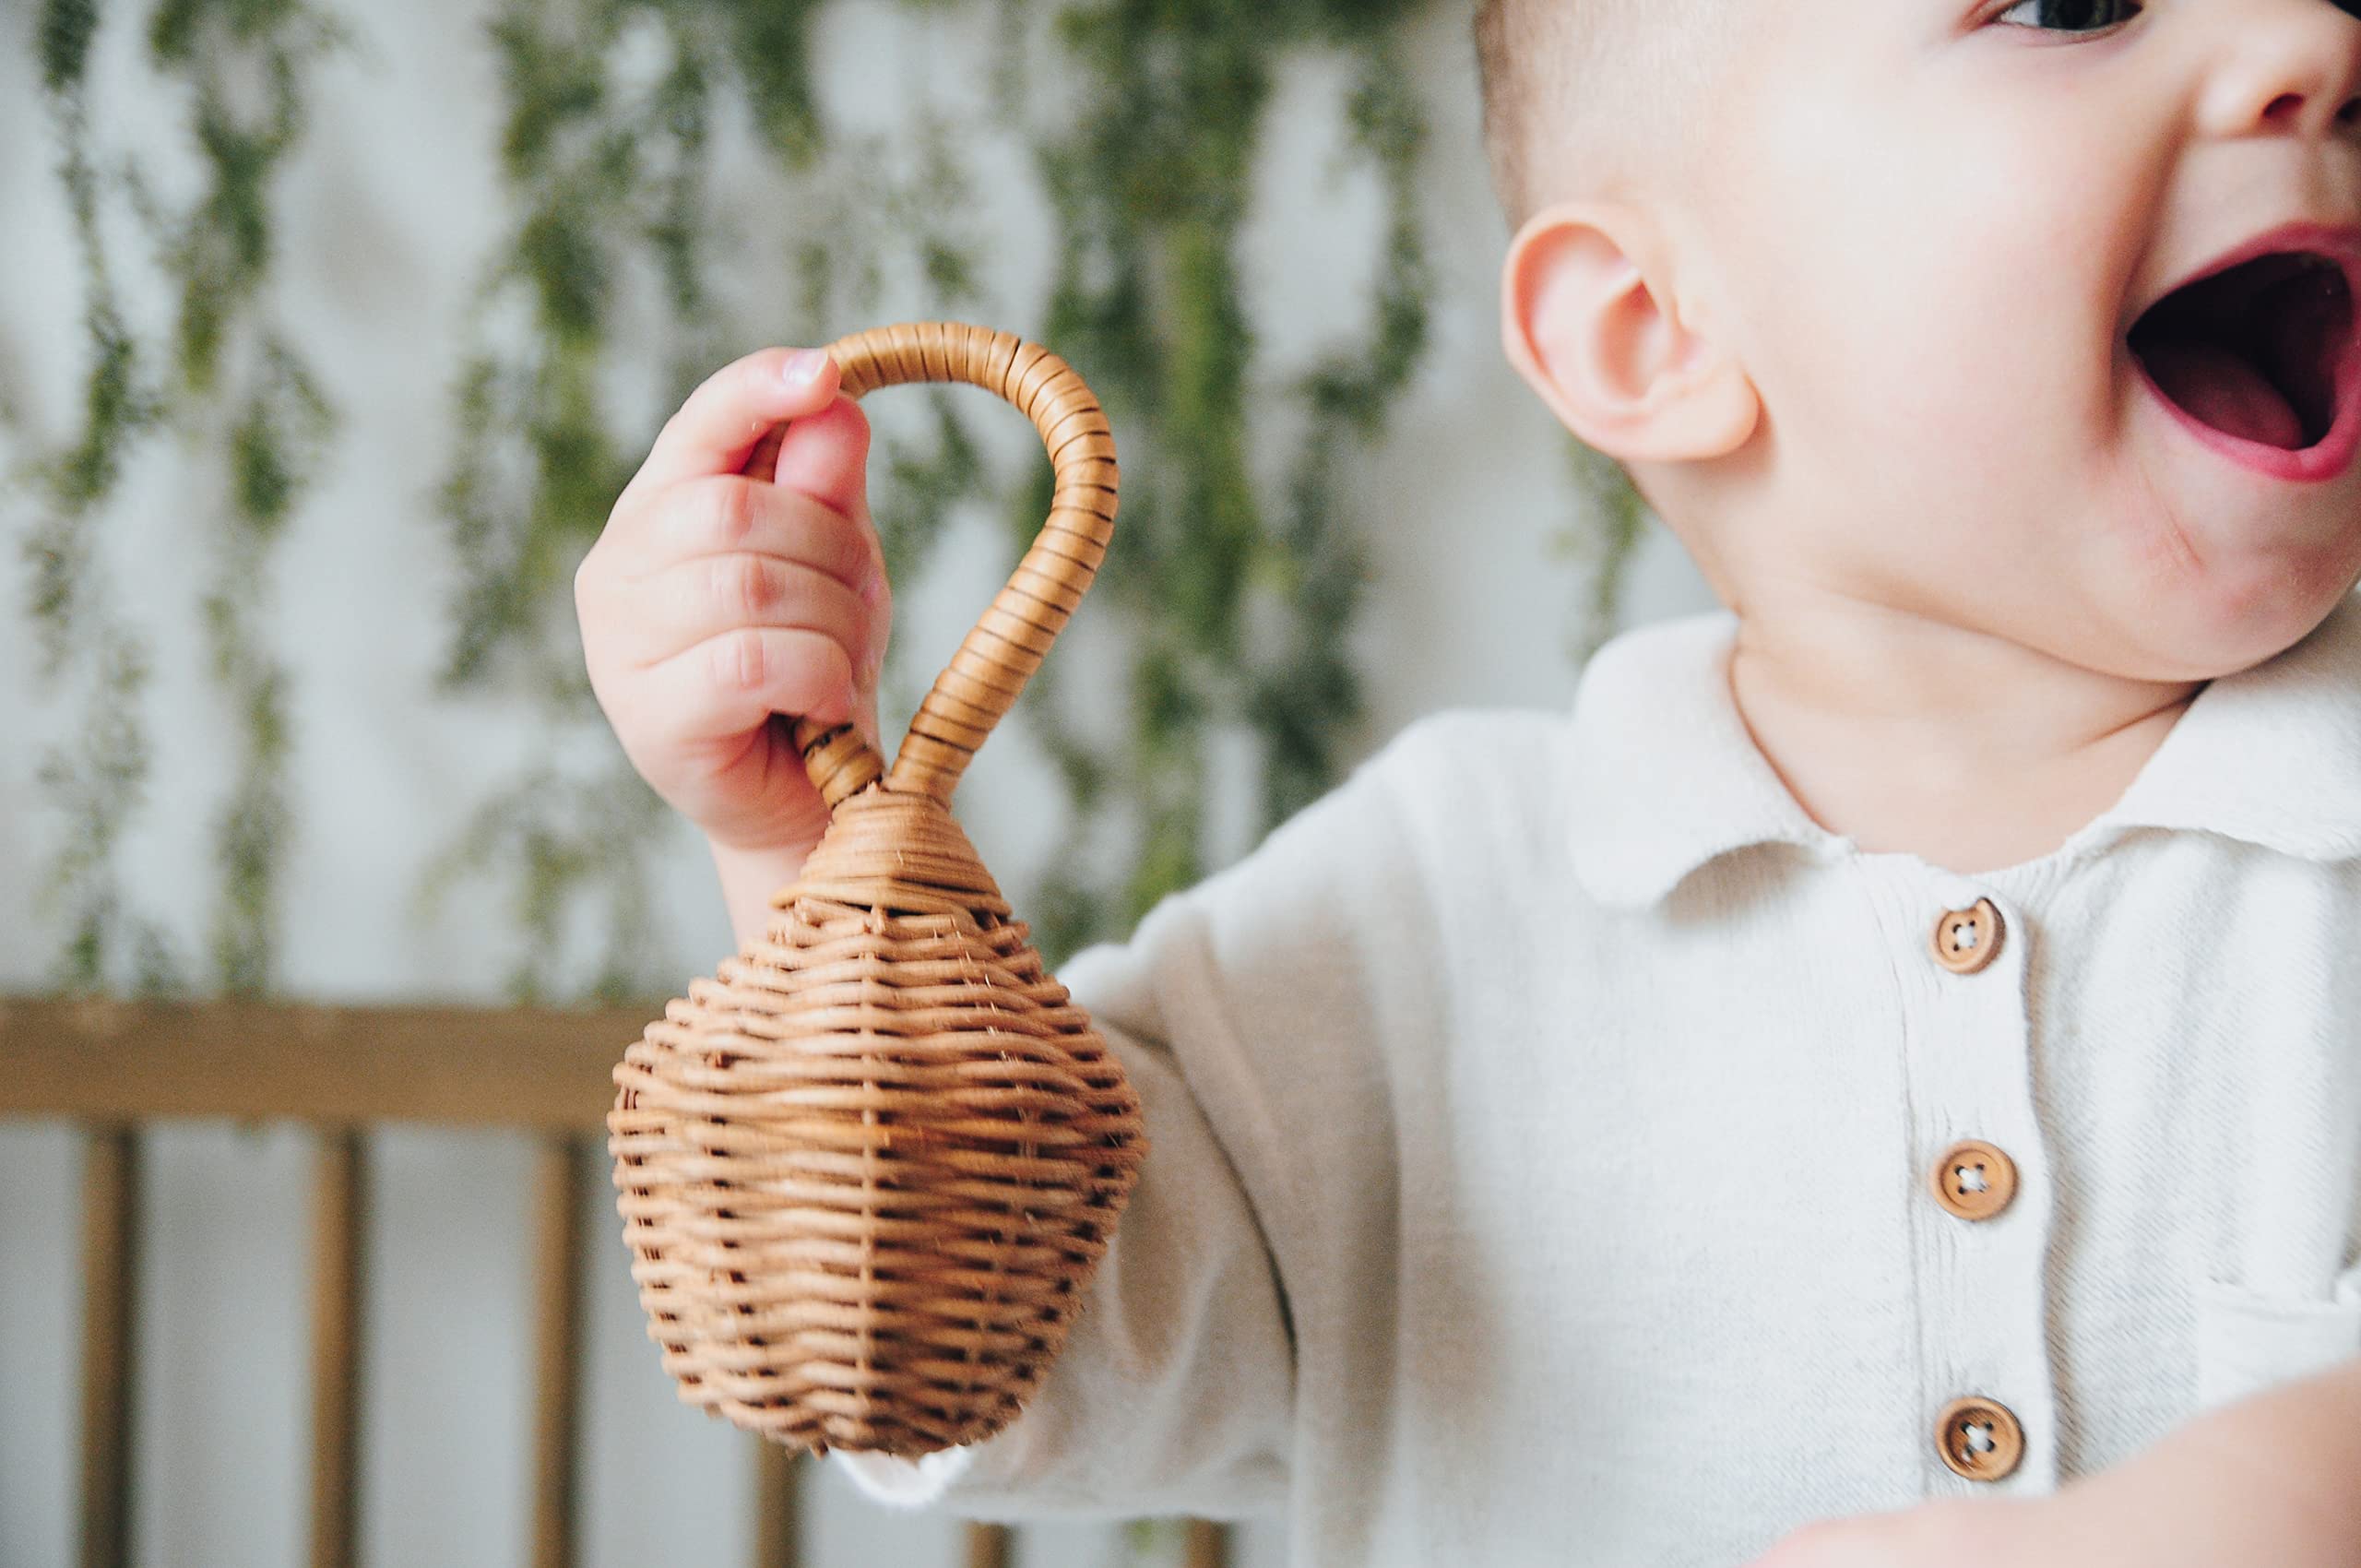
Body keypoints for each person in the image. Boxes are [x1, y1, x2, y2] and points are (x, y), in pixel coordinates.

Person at [571, 1, 2361, 1562]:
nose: (2312, 47)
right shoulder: (1417, 908)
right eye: (2069, 0)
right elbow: (1017, 1357)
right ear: (1647, 331)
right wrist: (819, 856)